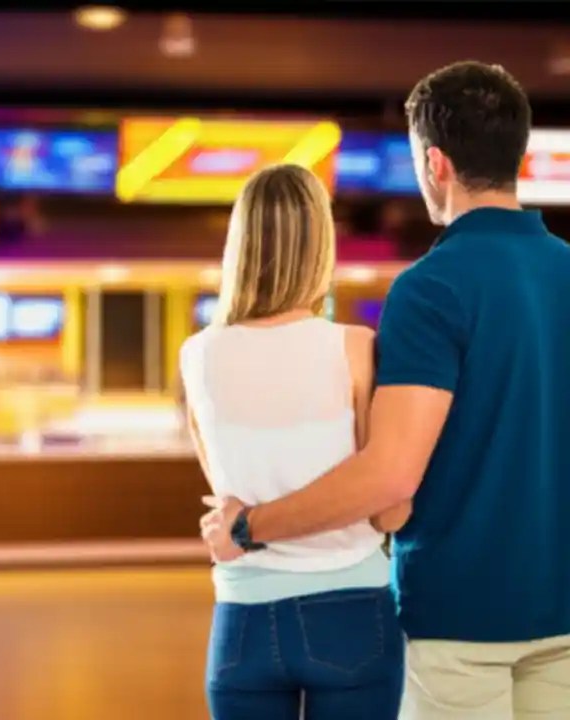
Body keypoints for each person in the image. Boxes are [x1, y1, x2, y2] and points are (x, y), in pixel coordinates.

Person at [200, 61, 570, 719]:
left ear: (436, 164)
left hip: (460, 622)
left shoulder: (431, 288)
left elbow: (390, 479)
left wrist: (249, 524)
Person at [182, 163, 411, 719]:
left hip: (242, 621)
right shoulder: (355, 347)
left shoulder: (198, 355)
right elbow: (389, 512)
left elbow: (227, 498)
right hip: (352, 614)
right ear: (319, 246)